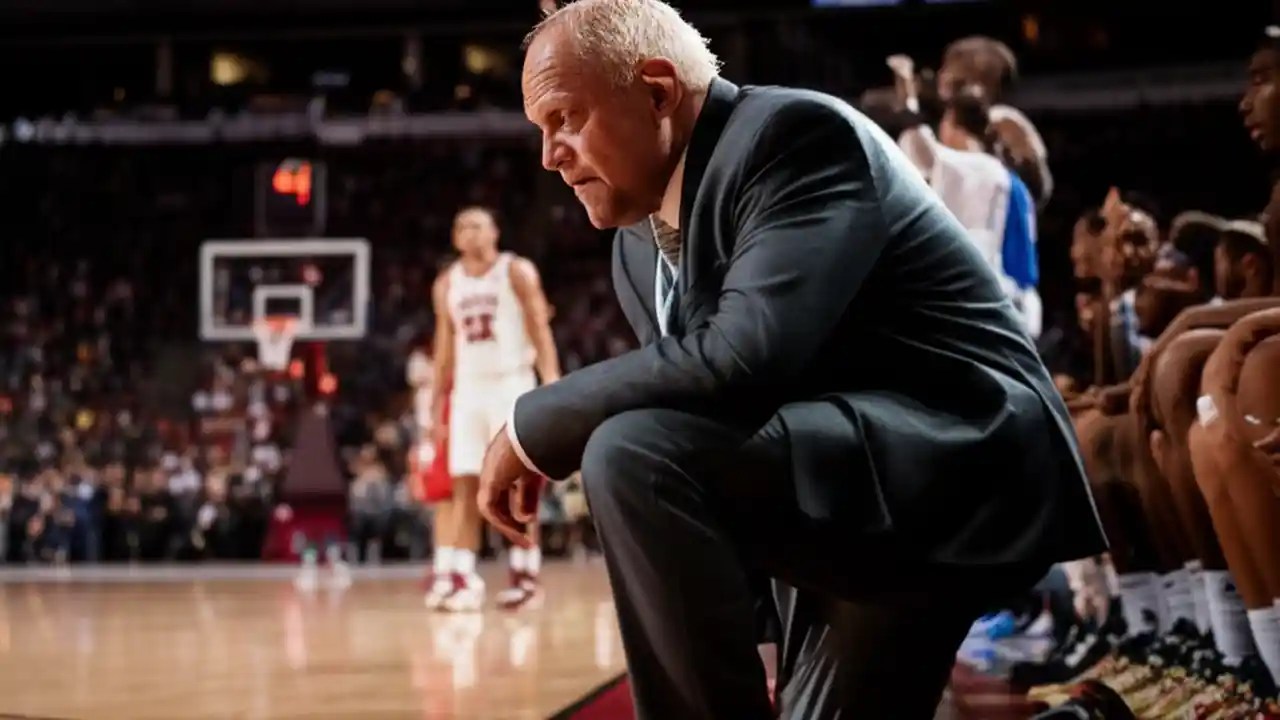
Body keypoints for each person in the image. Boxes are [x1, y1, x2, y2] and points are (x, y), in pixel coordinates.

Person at [479, 1, 1105, 717]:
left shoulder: (792, 136)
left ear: (656, 92)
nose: (548, 154)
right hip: (843, 484)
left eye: (565, 119)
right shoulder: (635, 239)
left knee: (630, 449)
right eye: (540, 130)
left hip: (953, 463)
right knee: (642, 442)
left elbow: (744, 358)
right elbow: (716, 421)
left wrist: (533, 427)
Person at [426, 206, 560, 612]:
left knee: (517, 484)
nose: (469, 232)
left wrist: (552, 380)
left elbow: (539, 326)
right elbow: (444, 347)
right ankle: (463, 577)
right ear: (454, 238)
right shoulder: (447, 283)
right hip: (468, 390)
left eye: (477, 224)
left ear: (495, 232)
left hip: (512, 384)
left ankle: (524, 572)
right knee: (465, 484)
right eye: (461, 225)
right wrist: (436, 403)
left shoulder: (515, 271)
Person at [890, 54, 1041, 339]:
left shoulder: (975, 167)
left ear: (953, 124)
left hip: (986, 303)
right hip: (1006, 305)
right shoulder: (1003, 175)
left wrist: (907, 96)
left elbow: (920, 147)